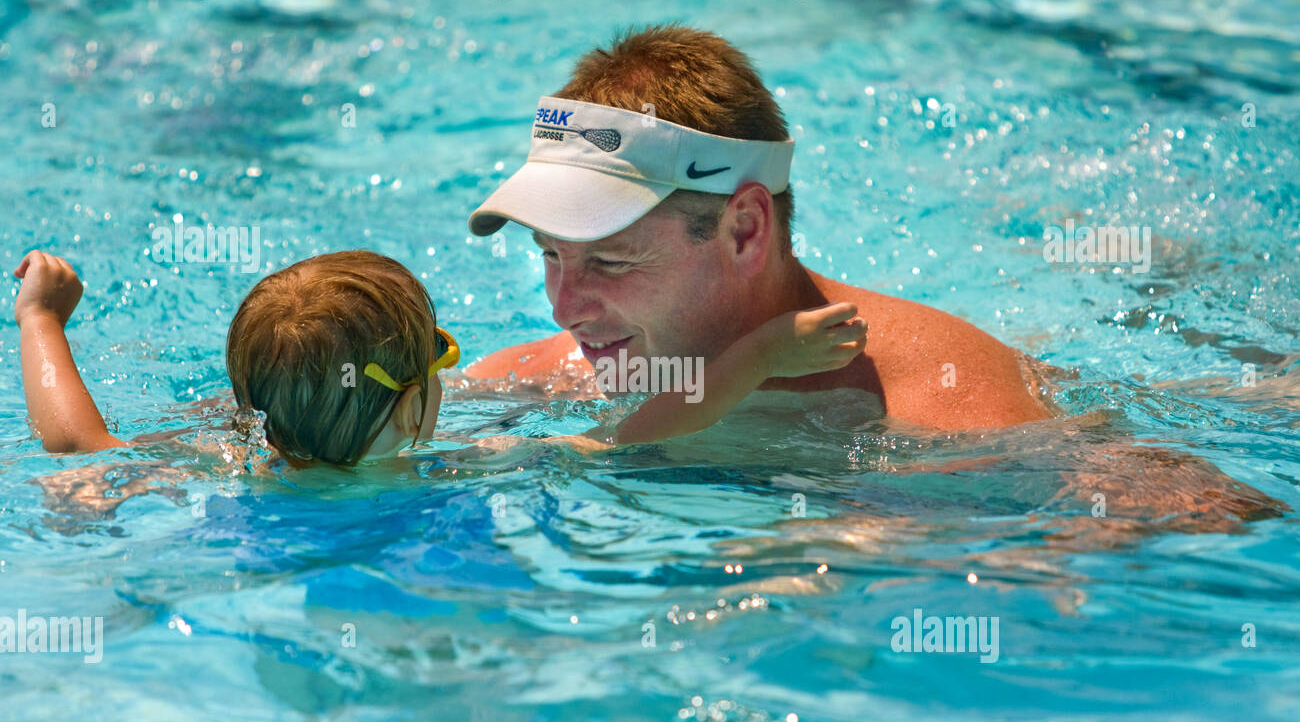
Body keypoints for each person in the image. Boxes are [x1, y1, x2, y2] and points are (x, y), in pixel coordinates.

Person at [466, 25, 1052, 430]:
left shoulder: (949, 406)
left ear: (744, 230)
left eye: (611, 261)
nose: (564, 311)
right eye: (550, 256)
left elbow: (1107, 534)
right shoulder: (528, 384)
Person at [13, 249, 865, 464]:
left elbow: (79, 446)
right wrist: (754, 358)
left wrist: (40, 321)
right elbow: (635, 435)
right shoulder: (467, 466)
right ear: (420, 395)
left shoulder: (225, 466)